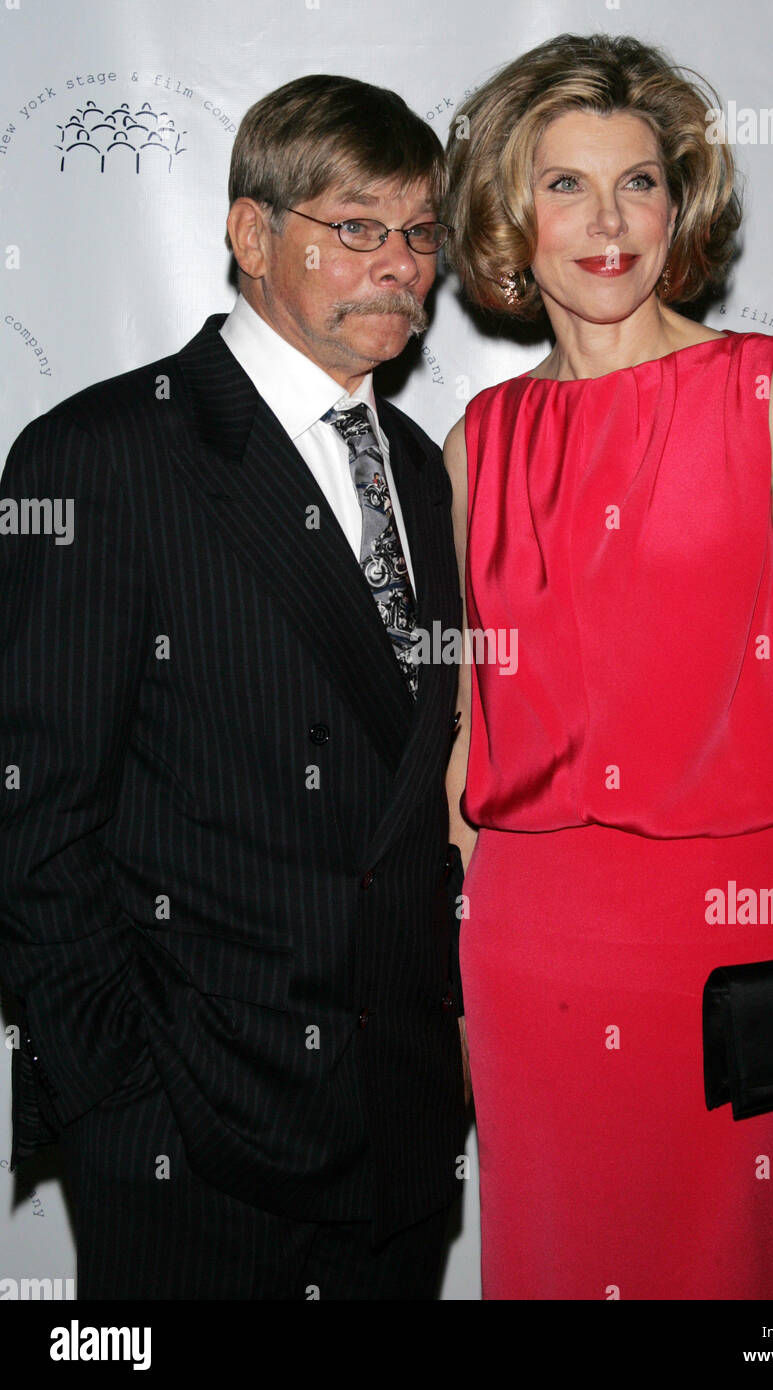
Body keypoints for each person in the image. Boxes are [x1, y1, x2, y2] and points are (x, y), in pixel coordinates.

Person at [441, 33, 773, 1300]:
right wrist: (427, 966)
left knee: (716, 1271)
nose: (607, 223)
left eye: (638, 183)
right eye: (564, 185)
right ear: (508, 211)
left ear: (681, 203)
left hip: (729, 934)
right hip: (527, 940)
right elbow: (462, 738)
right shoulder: (473, 444)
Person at [0, 73, 468, 1300]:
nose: (402, 264)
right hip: (194, 1142)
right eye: (356, 226)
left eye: (421, 232)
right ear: (252, 234)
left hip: (398, 1133)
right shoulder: (101, 456)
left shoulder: (421, 473)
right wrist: (124, 1096)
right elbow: (32, 818)